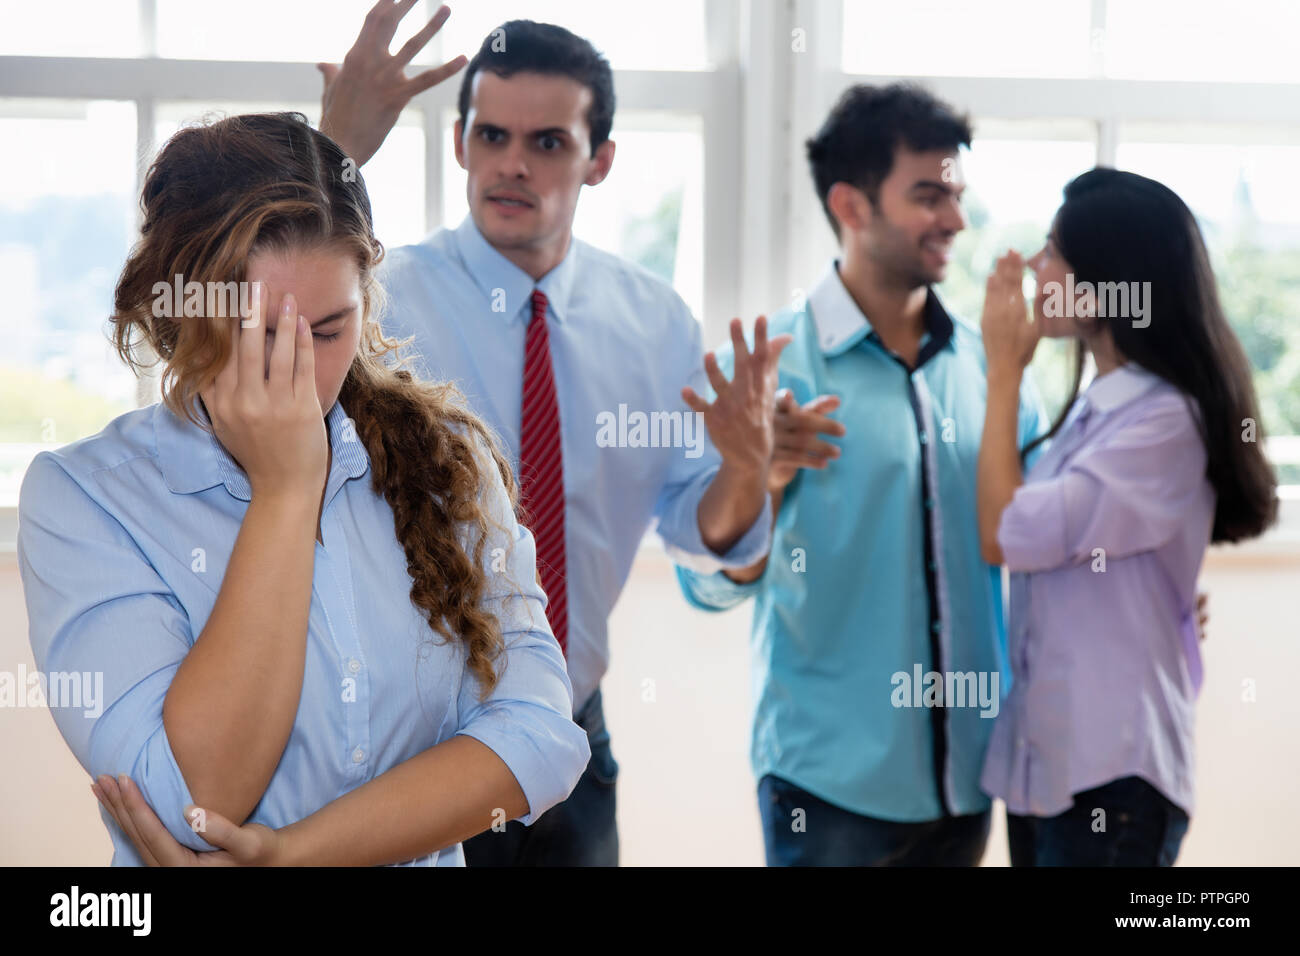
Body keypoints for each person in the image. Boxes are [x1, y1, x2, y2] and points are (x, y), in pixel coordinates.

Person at [17, 110, 590, 866]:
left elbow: (541, 738)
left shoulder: (441, 458)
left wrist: (291, 855)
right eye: (259, 334)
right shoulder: (84, 498)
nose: (298, 372)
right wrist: (287, 493)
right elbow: (194, 800)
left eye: (328, 330)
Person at [315, 9, 782, 865]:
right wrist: (331, 151)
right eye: (491, 134)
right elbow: (249, 334)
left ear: (599, 160)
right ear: (459, 142)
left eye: (550, 142)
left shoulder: (655, 324)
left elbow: (705, 531)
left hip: (575, 741)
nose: (513, 163)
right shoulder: (378, 300)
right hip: (412, 743)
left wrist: (748, 472)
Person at [676, 83, 1050, 866]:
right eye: (928, 195)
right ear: (851, 204)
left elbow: (1036, 531)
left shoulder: (992, 369)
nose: (954, 218)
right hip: (828, 788)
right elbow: (707, 582)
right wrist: (755, 475)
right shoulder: (765, 366)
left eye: (956, 194)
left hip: (970, 781)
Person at [976, 167, 1278, 866]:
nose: (1035, 269)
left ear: (1108, 283)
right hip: (1050, 772)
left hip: (1111, 779)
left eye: (1053, 252)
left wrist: (1002, 375)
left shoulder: (1165, 420)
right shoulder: (1098, 407)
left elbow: (1003, 533)